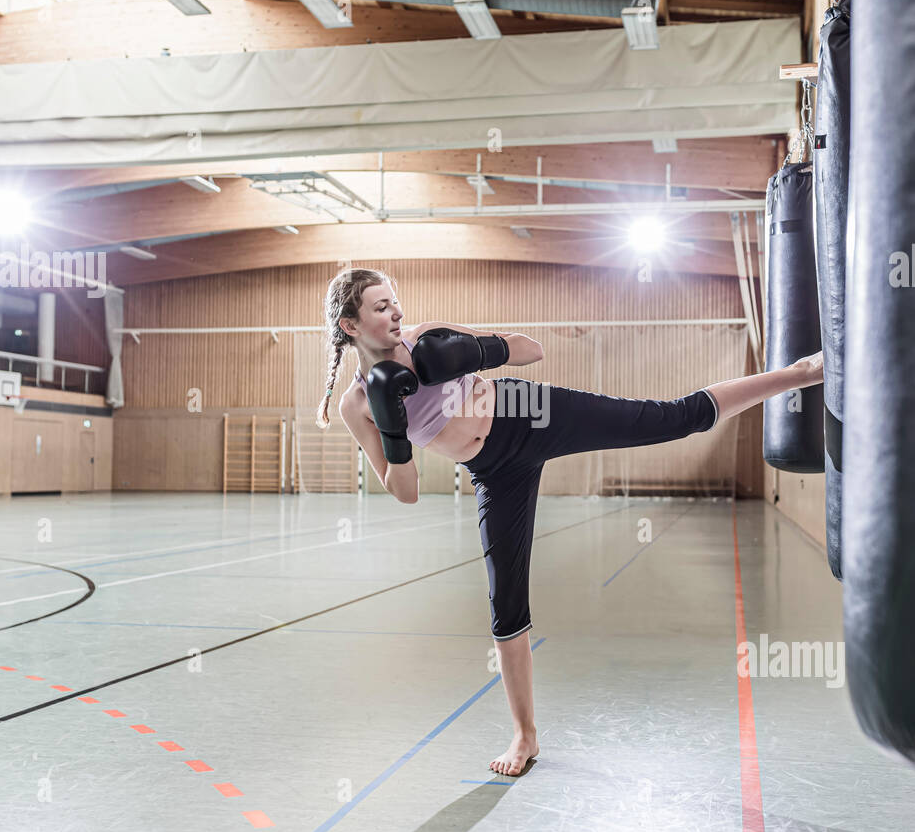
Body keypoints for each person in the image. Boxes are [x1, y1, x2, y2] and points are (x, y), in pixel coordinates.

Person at [317, 267, 824, 777]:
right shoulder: (358, 404)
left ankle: (801, 372)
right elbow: (403, 492)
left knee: (670, 418)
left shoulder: (426, 338)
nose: (397, 312)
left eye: (395, 301)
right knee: (505, 604)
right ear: (351, 325)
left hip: (528, 409)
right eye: (381, 307)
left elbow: (531, 349)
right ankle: (525, 736)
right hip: (493, 471)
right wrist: (394, 427)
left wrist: (471, 351)